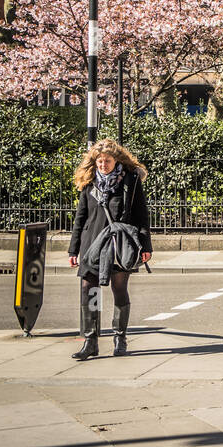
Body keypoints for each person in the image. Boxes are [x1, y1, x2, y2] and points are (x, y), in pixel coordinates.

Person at [68, 140, 152, 360]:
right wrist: (73, 249)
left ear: (117, 161)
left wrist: (145, 246)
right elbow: (81, 217)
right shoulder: (90, 183)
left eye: (107, 160)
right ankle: (90, 341)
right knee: (89, 289)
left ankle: (120, 337)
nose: (103, 164)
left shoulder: (130, 182)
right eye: (99, 161)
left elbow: (141, 215)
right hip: (92, 245)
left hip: (118, 245)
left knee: (119, 289)